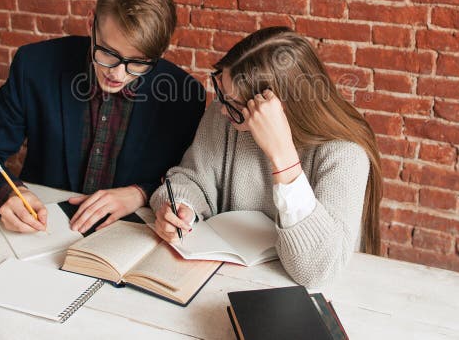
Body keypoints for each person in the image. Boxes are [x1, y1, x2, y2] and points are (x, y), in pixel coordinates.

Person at [0, 0, 205, 234]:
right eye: (109, 54)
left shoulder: (184, 94)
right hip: (42, 229)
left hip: (129, 236)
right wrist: (8, 192)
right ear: (91, 23)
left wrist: (140, 193)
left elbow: (190, 180)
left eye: (138, 63)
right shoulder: (35, 65)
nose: (118, 74)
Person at [150, 26, 382, 287]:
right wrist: (181, 206)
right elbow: (189, 178)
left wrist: (282, 156)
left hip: (301, 296)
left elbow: (318, 271)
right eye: (222, 93)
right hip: (219, 280)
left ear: (276, 108)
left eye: (234, 104)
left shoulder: (345, 152)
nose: (223, 109)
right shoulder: (225, 114)